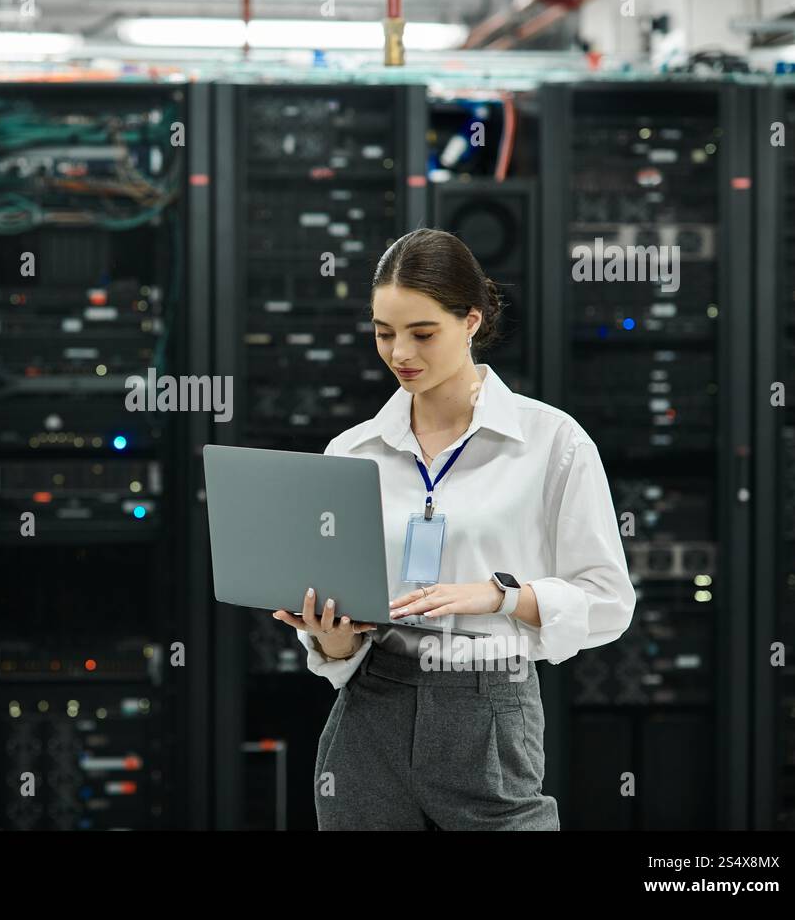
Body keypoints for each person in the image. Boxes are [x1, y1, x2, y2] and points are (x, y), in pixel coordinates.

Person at [271, 227, 636, 830]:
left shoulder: (552, 442)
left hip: (489, 705)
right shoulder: (350, 451)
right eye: (384, 333)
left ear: (471, 321)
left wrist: (503, 594)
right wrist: (331, 638)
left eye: (422, 333)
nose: (399, 354)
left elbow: (609, 604)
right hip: (369, 714)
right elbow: (340, 637)